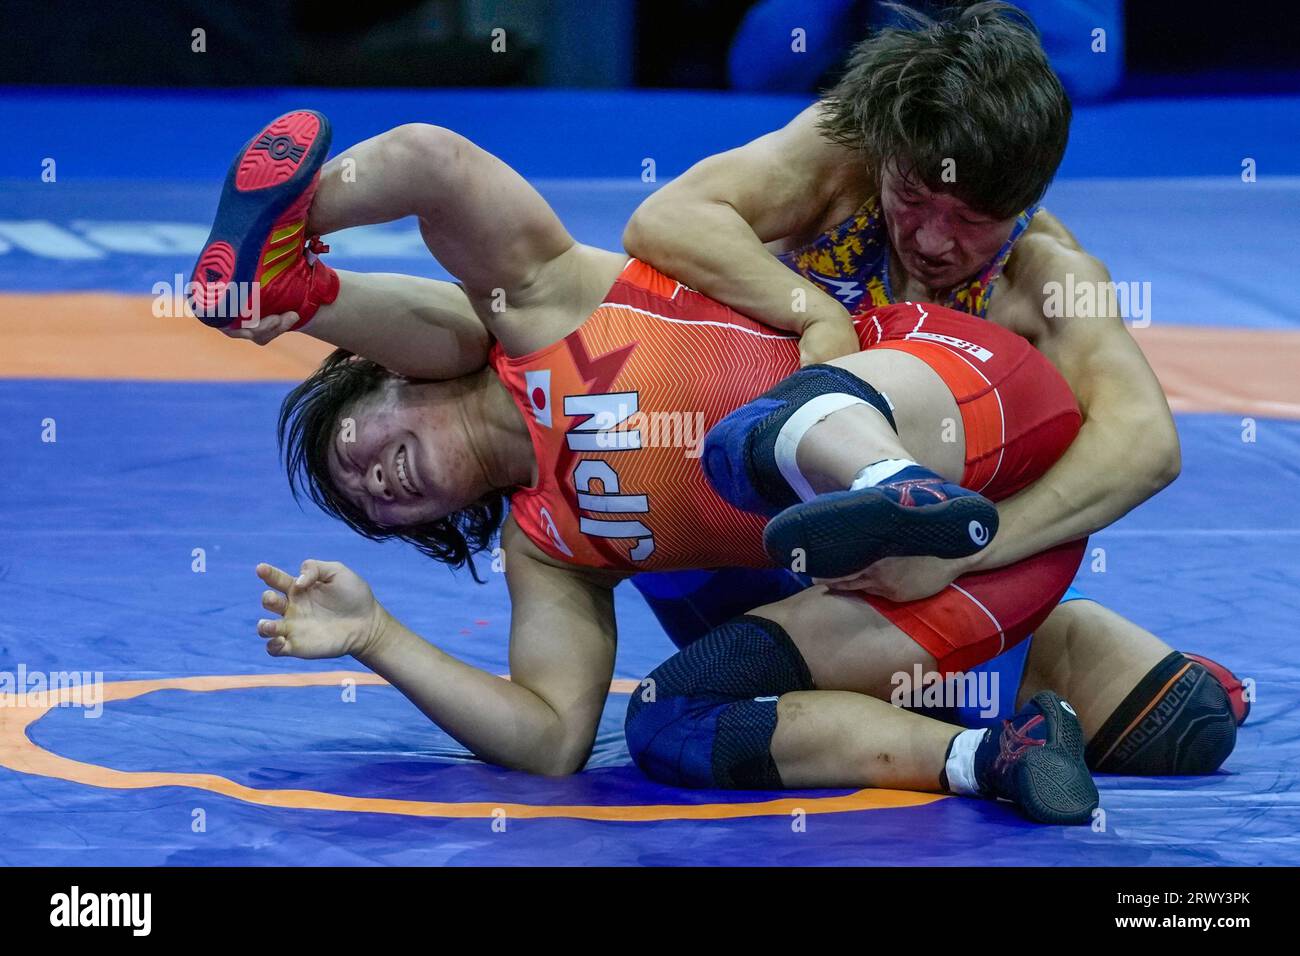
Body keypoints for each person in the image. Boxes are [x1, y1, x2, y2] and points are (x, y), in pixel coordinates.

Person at [187, 110, 1101, 823]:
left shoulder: (543, 306)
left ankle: (880, 484)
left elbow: (431, 161)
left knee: (744, 449)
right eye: (370, 507)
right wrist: (376, 636)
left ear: (386, 370)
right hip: (975, 573)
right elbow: (551, 740)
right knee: (669, 723)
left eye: (355, 447)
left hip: (967, 400)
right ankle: (995, 757)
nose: (376, 482)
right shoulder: (550, 546)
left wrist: (299, 267)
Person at [622, 0, 1247, 776]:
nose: (930, 239)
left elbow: (1145, 444)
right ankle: (1024, 667)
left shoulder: (1047, 277)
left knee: (1184, 731)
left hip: (889, 569)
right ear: (888, 150)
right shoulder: (840, 153)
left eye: (972, 218)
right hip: (750, 499)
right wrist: (816, 314)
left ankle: (1006, 667)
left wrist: (968, 555)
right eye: (914, 198)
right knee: (651, 451)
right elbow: (664, 218)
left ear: (1022, 203)